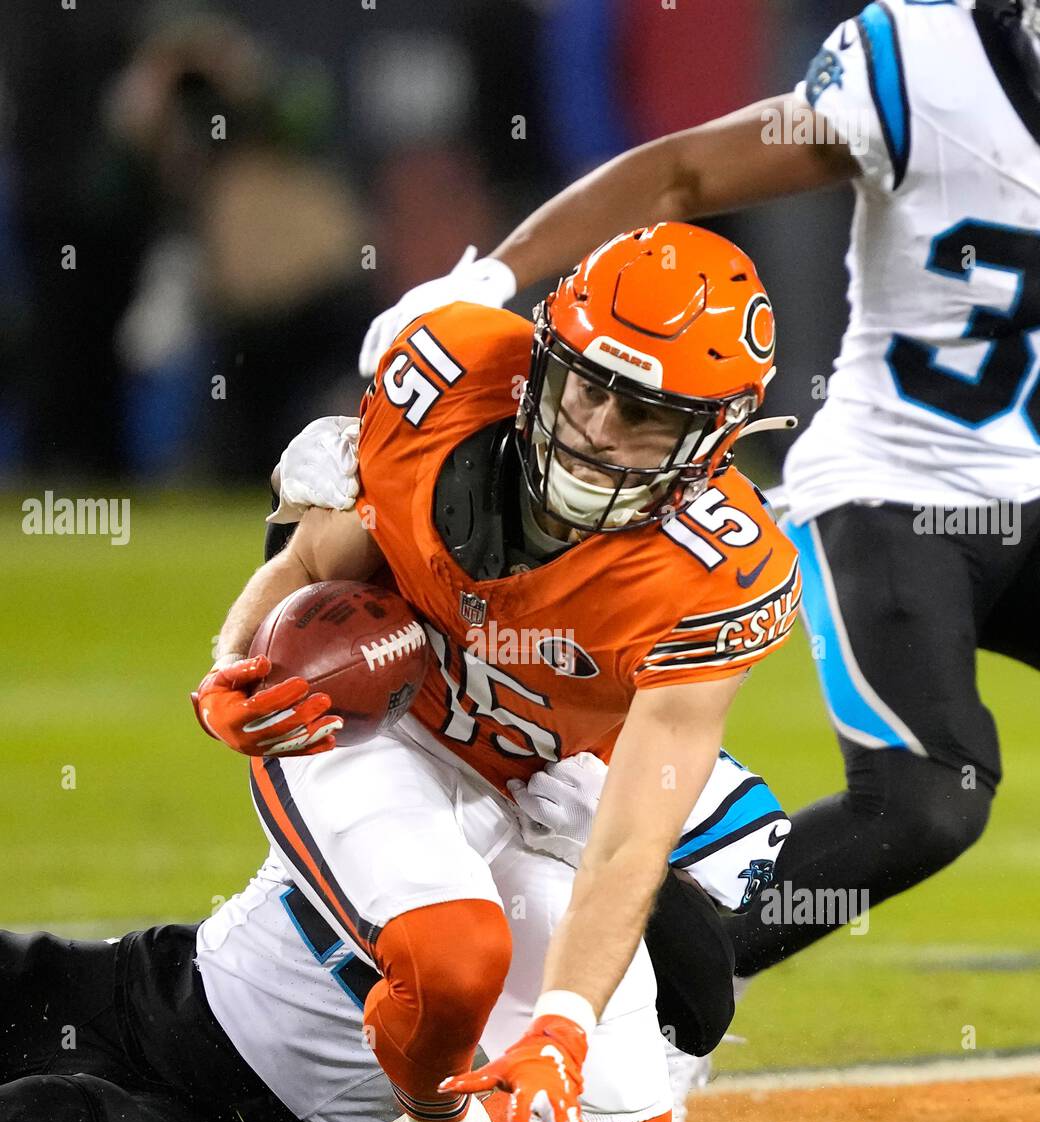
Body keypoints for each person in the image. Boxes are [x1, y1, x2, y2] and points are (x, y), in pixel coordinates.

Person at [357, 0, 1040, 996]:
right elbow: (681, 173)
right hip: (893, 489)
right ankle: (636, 987)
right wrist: (498, 272)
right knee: (926, 796)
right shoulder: (926, 65)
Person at [192, 223, 801, 1122]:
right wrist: (232, 661)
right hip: (394, 720)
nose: (599, 425)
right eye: (586, 382)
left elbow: (634, 832)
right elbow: (311, 553)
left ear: (712, 439)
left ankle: (490, 1062)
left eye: (645, 412)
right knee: (450, 950)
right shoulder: (443, 377)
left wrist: (561, 1028)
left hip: (545, 770)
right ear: (543, 356)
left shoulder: (715, 572)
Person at [0, 758, 787, 1122]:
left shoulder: (615, 748)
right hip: (162, 984)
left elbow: (701, 1002)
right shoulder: (411, 681)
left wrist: (619, 850)